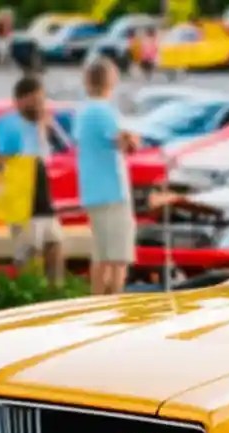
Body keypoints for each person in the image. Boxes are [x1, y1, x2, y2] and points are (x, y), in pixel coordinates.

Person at [73, 60, 138, 296]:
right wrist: (133, 139)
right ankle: (114, 304)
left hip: (92, 191)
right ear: (111, 81)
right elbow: (125, 143)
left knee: (101, 255)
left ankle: (97, 303)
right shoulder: (105, 112)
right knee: (118, 258)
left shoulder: (83, 112)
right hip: (112, 192)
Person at [0, 75, 63, 286]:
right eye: (35, 101)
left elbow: (54, 152)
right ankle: (29, 293)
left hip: (43, 196)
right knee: (29, 251)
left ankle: (55, 292)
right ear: (21, 100)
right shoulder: (8, 125)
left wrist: (44, 129)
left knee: (54, 244)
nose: (40, 105)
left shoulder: (41, 125)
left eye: (42, 100)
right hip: (22, 198)